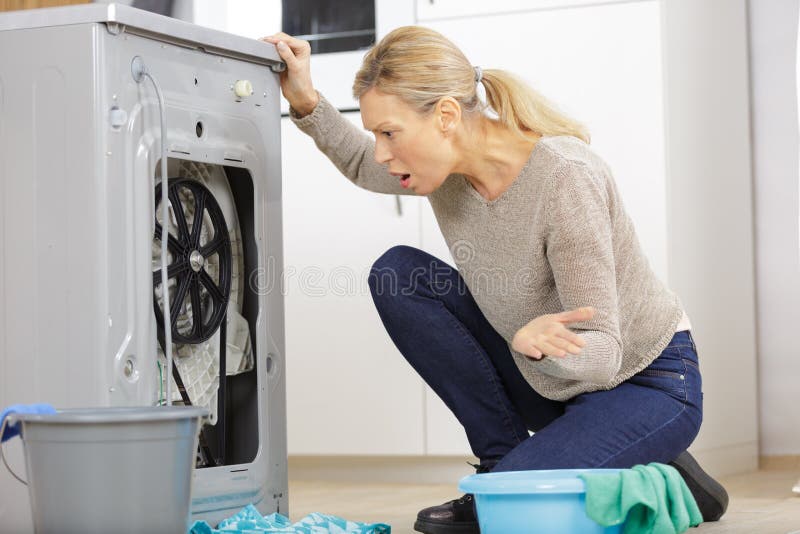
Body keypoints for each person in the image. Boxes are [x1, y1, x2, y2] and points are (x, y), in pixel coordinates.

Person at [262, 26, 729, 534]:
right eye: (377, 134)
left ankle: (660, 467)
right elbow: (357, 161)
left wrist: (535, 345)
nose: (380, 153)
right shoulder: (445, 170)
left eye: (389, 133)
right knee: (399, 273)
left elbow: (603, 356)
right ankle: (502, 463)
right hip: (547, 376)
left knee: (511, 510)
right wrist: (305, 100)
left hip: (646, 380)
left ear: (444, 116)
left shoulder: (565, 178)